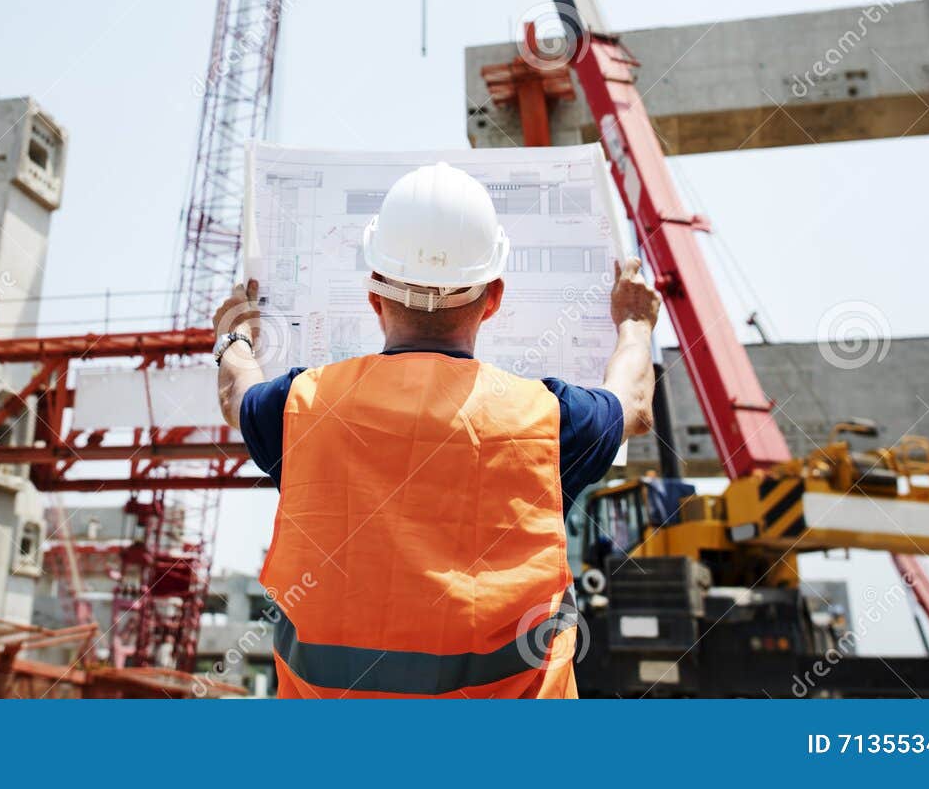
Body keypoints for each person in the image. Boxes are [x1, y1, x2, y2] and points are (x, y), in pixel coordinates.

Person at [213, 161, 660, 698]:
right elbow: (634, 404)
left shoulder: (301, 406)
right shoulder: (546, 418)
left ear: (375, 296)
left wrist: (233, 336)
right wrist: (635, 323)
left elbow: (237, 396)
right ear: (491, 299)